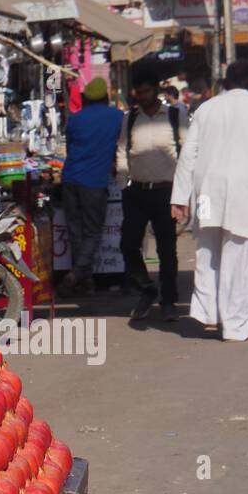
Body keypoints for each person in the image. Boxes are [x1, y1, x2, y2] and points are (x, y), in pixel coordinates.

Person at [171, 59, 248, 341]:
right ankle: (234, 325)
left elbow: (188, 155)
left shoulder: (206, 108)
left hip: (206, 190)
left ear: (226, 82)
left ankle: (208, 314)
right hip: (245, 192)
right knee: (239, 256)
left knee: (208, 252)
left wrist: (179, 197)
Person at [117, 65, 188, 321]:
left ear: (156, 91)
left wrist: (183, 193)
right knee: (128, 245)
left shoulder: (174, 115)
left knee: (167, 250)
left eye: (147, 91)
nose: (143, 96)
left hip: (165, 192)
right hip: (136, 192)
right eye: (139, 92)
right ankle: (146, 288)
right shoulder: (131, 118)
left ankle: (168, 301)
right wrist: (122, 182)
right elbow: (122, 151)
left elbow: (187, 153)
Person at [59, 76, 123, 295]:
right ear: (106, 97)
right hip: (94, 182)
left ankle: (85, 283)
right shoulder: (116, 117)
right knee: (92, 232)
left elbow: (69, 148)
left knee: (75, 232)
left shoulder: (75, 119)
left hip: (69, 179)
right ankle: (77, 274)